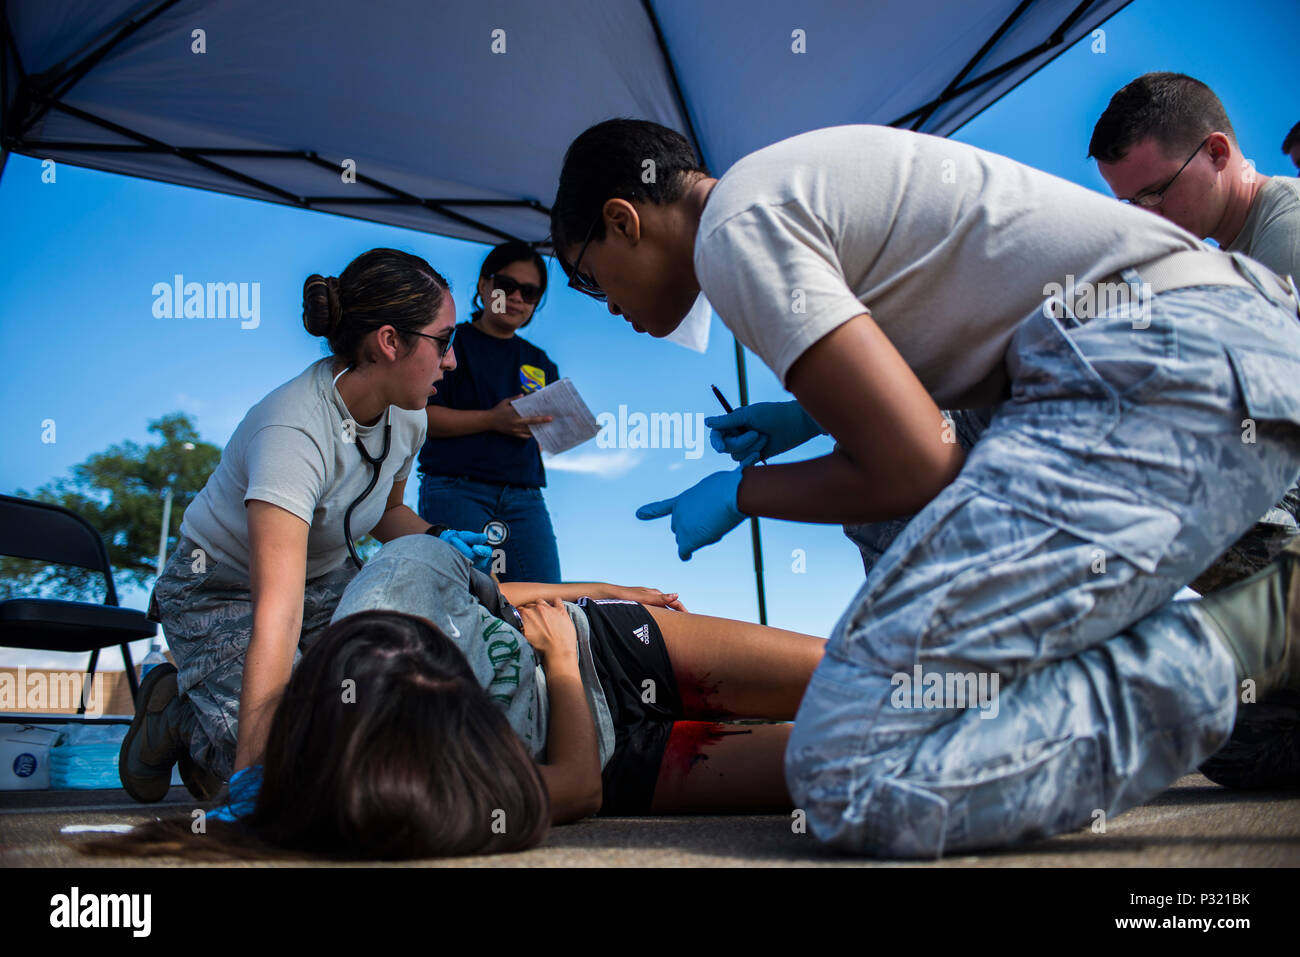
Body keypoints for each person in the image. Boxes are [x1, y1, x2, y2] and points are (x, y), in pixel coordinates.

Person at [548, 118, 1300, 857]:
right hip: (1210, 347)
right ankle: (983, 691)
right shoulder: (774, 185)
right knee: (1255, 744)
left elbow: (913, 466)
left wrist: (743, 494)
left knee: (845, 772)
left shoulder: (732, 232)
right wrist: (801, 417)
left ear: (624, 219)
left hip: (1154, 363)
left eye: (586, 276)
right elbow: (939, 364)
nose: (606, 304)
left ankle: (1267, 626)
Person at [88, 534, 826, 861]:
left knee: (842, 670)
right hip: (610, 751)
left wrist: (592, 597)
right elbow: (575, 786)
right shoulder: (402, 790)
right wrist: (560, 671)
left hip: (607, 645)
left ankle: (187, 713)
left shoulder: (397, 575)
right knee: (837, 751)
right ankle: (188, 716)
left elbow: (500, 596)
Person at [118, 247, 492, 803]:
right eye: (445, 340)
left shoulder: (409, 413)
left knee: (371, 717)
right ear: (390, 342)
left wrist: (438, 538)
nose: (453, 361)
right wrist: (253, 773)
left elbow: (386, 512)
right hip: (219, 588)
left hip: (318, 583)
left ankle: (216, 731)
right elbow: (278, 611)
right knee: (288, 771)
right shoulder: (292, 432)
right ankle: (180, 714)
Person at [1089, 73, 1300, 595]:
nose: (1148, 217)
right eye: (1132, 203)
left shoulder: (1286, 244)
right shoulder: (1223, 260)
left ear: (1217, 153)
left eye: (1157, 192)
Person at [417, 241, 565, 583]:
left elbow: (543, 439)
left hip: (526, 497)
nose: (516, 298)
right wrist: (493, 420)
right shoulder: (449, 343)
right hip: (456, 488)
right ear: (483, 285)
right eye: (506, 286)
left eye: (529, 293)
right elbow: (421, 419)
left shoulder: (542, 363)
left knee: (545, 601)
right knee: (466, 599)